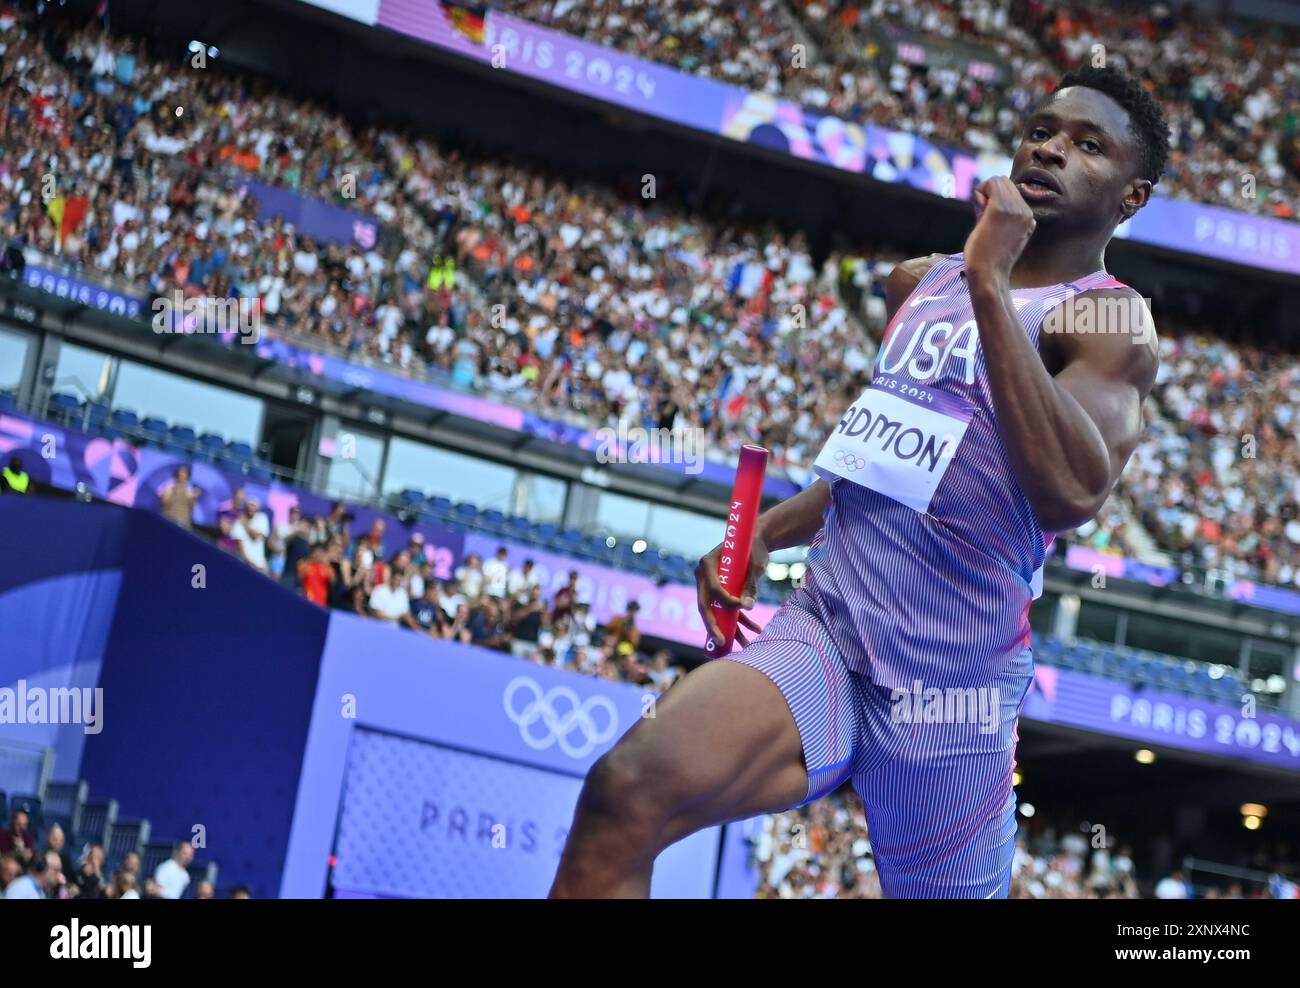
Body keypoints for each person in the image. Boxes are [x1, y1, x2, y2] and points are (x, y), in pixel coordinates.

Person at [550, 66, 1164, 899]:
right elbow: (888, 463)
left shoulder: (1107, 316)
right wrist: (766, 530)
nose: (1051, 149)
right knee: (626, 788)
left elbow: (1070, 494)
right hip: (830, 633)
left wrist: (991, 281)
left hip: (952, 694)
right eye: (1042, 130)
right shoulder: (921, 282)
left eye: (1088, 146)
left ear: (1132, 197)